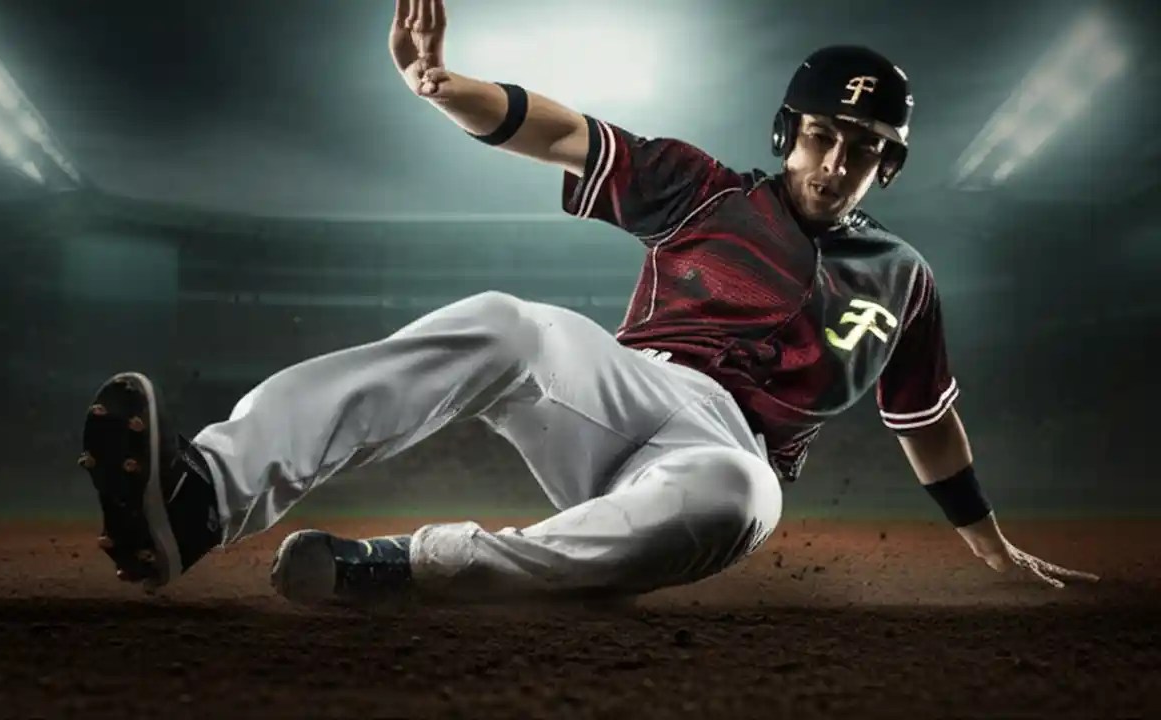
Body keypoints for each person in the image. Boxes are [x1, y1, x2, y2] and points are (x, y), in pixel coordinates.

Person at [78, 0, 1097, 603]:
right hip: (626, 387)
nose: (840, 161)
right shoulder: (705, 189)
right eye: (825, 135)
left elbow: (925, 419)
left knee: (742, 499)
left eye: (867, 150)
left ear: (888, 165)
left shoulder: (903, 278)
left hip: (727, 456)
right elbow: (564, 134)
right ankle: (201, 497)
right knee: (509, 321)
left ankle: (405, 570)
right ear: (787, 130)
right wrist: (442, 85)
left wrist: (986, 540)